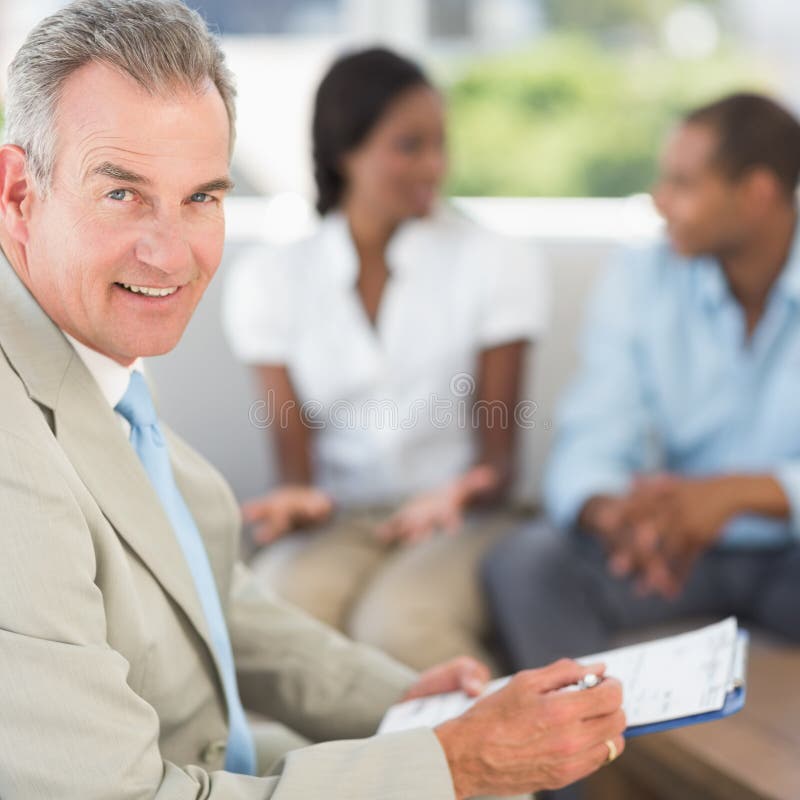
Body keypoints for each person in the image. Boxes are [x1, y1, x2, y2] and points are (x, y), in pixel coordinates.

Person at [0, 2, 625, 797]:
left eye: (202, 198)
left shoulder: (99, 374)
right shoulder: (12, 452)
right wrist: (457, 764)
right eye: (122, 194)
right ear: (19, 192)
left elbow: (218, 601)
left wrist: (401, 700)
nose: (169, 252)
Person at [223, 47, 547, 672]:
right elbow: (297, 468)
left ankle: (514, 763)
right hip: (345, 520)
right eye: (409, 145)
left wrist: (458, 493)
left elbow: (500, 464)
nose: (435, 165)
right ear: (346, 150)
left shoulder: (497, 261)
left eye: (440, 144)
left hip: (466, 518)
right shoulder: (272, 278)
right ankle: (325, 773)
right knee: (287, 607)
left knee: (397, 624)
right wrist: (297, 502)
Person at [483, 92, 800, 671]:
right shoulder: (641, 275)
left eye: (684, 183)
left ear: (757, 194)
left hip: (790, 552)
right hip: (676, 552)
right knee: (528, 564)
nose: (660, 201)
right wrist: (615, 515)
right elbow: (597, 424)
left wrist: (742, 492)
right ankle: (587, 749)